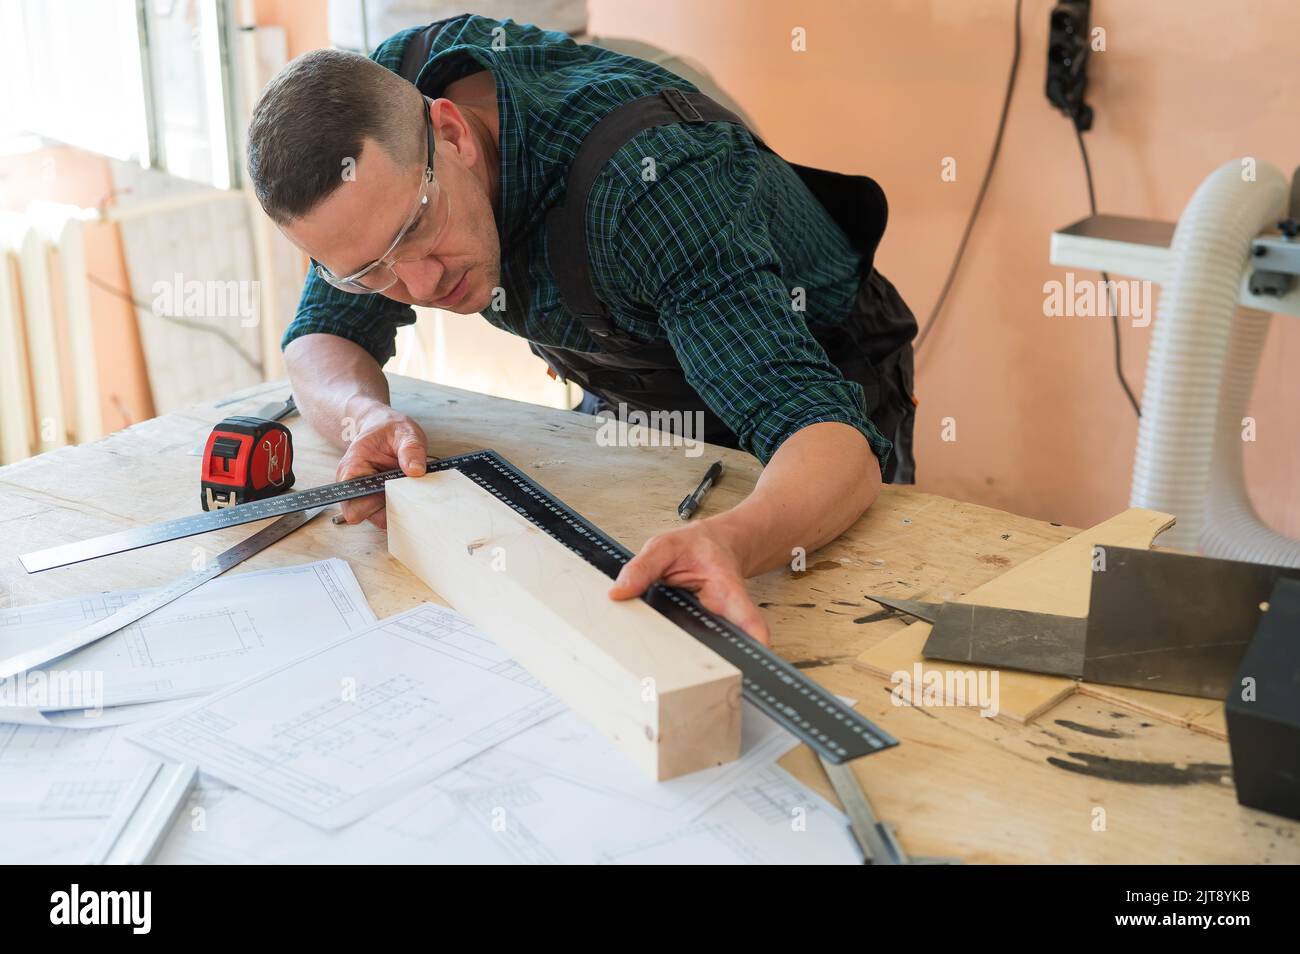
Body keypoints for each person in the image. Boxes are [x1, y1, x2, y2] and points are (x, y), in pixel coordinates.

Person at [245, 14, 917, 644]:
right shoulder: (377, 120)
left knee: (839, 618)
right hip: (636, 376)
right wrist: (363, 418)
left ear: (451, 133)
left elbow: (824, 433)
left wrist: (737, 542)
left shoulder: (652, 187)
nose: (419, 287)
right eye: (371, 272)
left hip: (815, 365)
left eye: (417, 228)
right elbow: (321, 337)